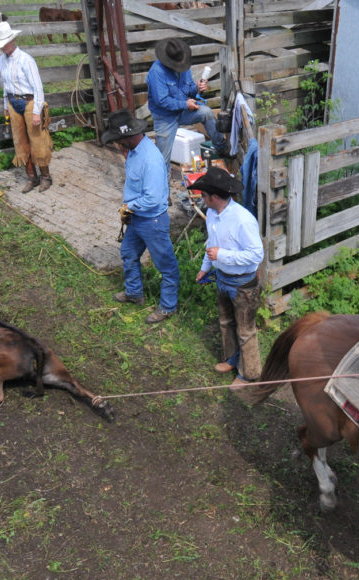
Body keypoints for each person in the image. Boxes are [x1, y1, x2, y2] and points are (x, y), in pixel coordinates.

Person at [101, 109, 179, 324]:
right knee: (128, 253)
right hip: (138, 217)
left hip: (152, 220)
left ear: (127, 136)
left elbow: (153, 198)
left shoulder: (150, 159)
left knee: (167, 266)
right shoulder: (134, 151)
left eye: (118, 140)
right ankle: (134, 292)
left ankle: (168, 307)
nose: (117, 144)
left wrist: (130, 207)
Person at [189, 167, 264, 387]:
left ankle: (249, 374)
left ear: (214, 197)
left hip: (243, 285)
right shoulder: (212, 213)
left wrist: (222, 255)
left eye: (203, 195)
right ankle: (232, 359)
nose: (202, 199)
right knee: (226, 322)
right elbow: (211, 244)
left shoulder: (243, 220)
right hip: (222, 278)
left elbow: (256, 254)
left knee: (246, 330)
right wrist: (205, 267)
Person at [0, 21, 54, 194]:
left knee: (37, 139)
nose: (2, 48)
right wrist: (5, 106)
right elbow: (5, 85)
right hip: (12, 102)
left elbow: (38, 87)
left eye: (3, 44)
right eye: (0, 45)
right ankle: (32, 177)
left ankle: (46, 177)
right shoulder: (2, 60)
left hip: (28, 102)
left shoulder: (26, 60)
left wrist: (36, 111)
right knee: (20, 141)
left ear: (11, 41)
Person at [146, 37, 228, 174]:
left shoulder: (183, 66)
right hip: (165, 117)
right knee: (163, 160)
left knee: (206, 112)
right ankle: (163, 193)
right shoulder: (156, 72)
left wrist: (198, 88)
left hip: (183, 111)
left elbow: (189, 89)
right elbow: (162, 101)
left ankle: (221, 147)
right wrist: (185, 104)